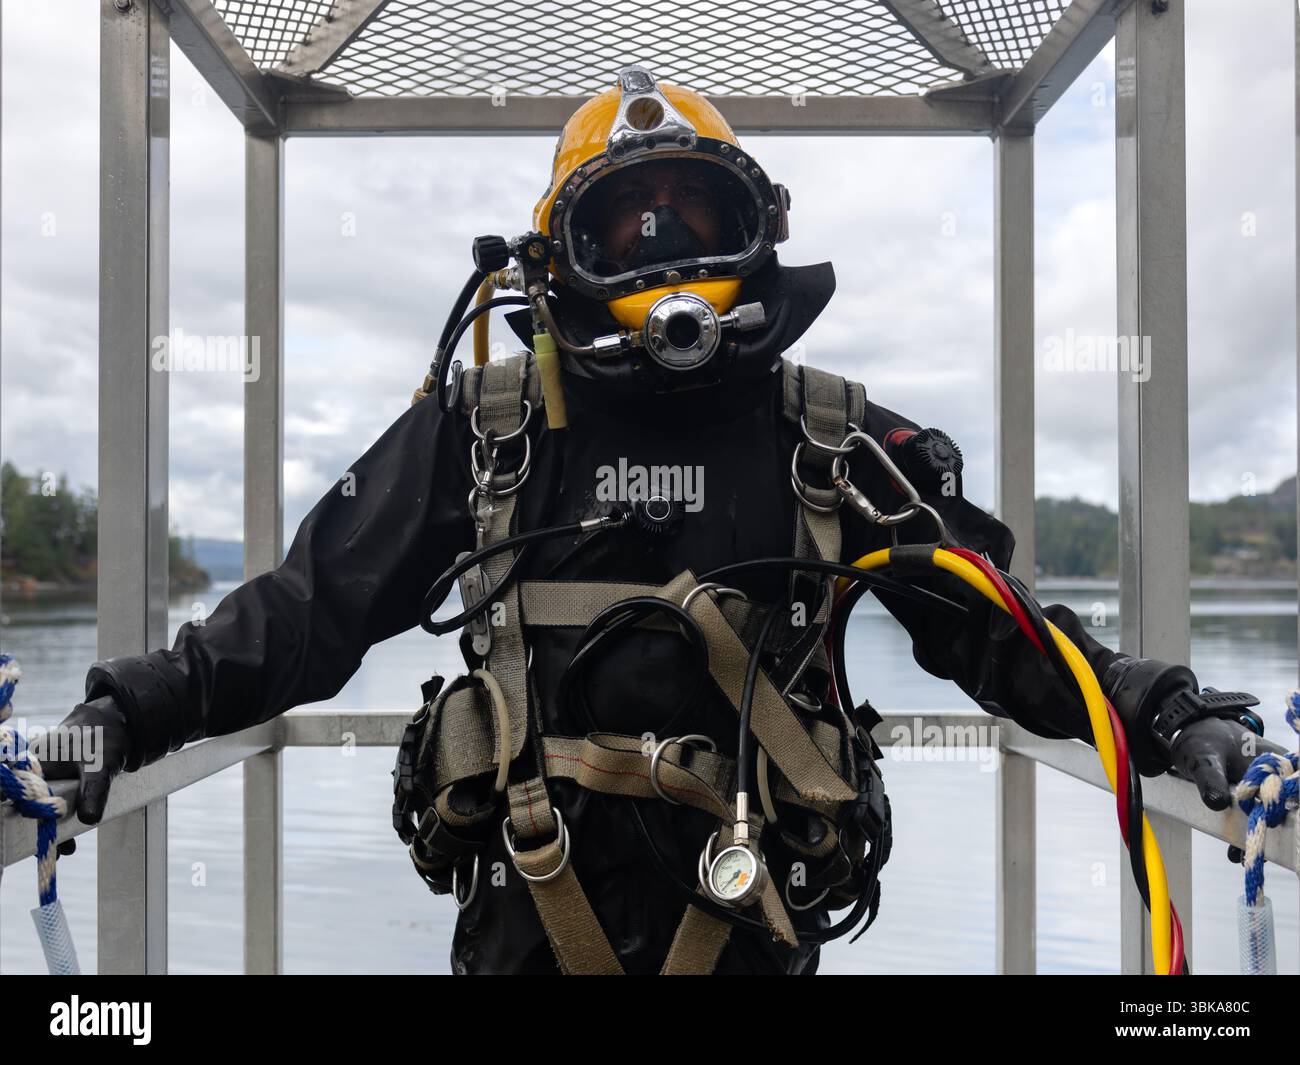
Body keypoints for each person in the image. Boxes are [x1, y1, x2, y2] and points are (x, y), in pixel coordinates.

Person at [43, 67, 1267, 975]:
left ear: (758, 236)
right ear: (555, 258)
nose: (666, 249)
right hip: (528, 913)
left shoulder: (829, 437)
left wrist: (1163, 710)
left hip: (753, 925)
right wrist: (131, 710)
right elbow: (310, 612)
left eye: (698, 217)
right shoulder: (490, 424)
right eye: (628, 222)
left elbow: (994, 631)